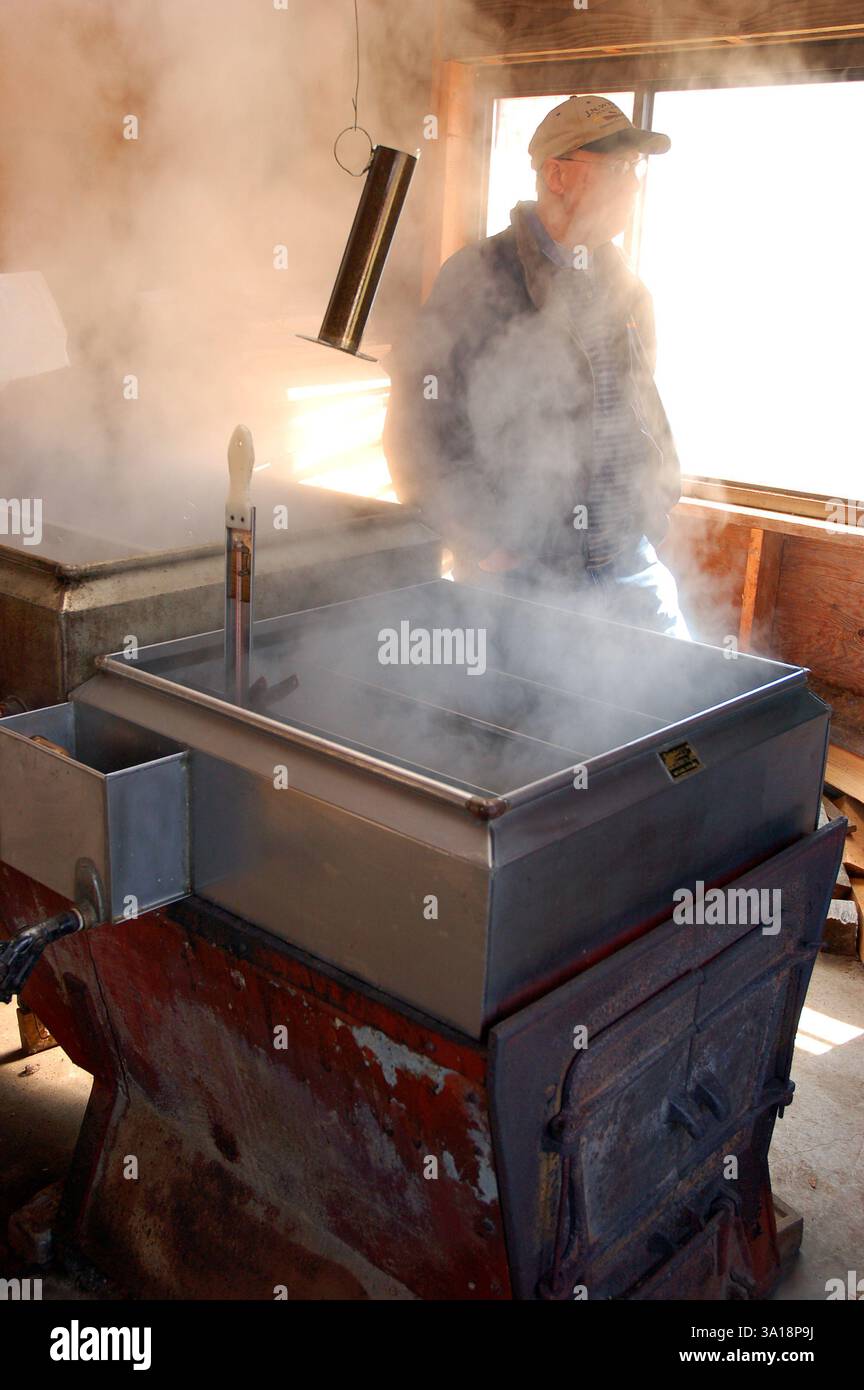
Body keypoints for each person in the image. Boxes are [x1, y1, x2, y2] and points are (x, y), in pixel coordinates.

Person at [383, 94, 692, 639]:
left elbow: (641, 409)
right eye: (618, 168)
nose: (634, 185)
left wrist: (655, 503)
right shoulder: (477, 278)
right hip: (525, 575)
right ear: (557, 175)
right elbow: (418, 425)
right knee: (527, 721)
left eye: (635, 169)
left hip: (629, 567)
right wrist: (479, 536)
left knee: (674, 717)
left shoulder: (630, 292)